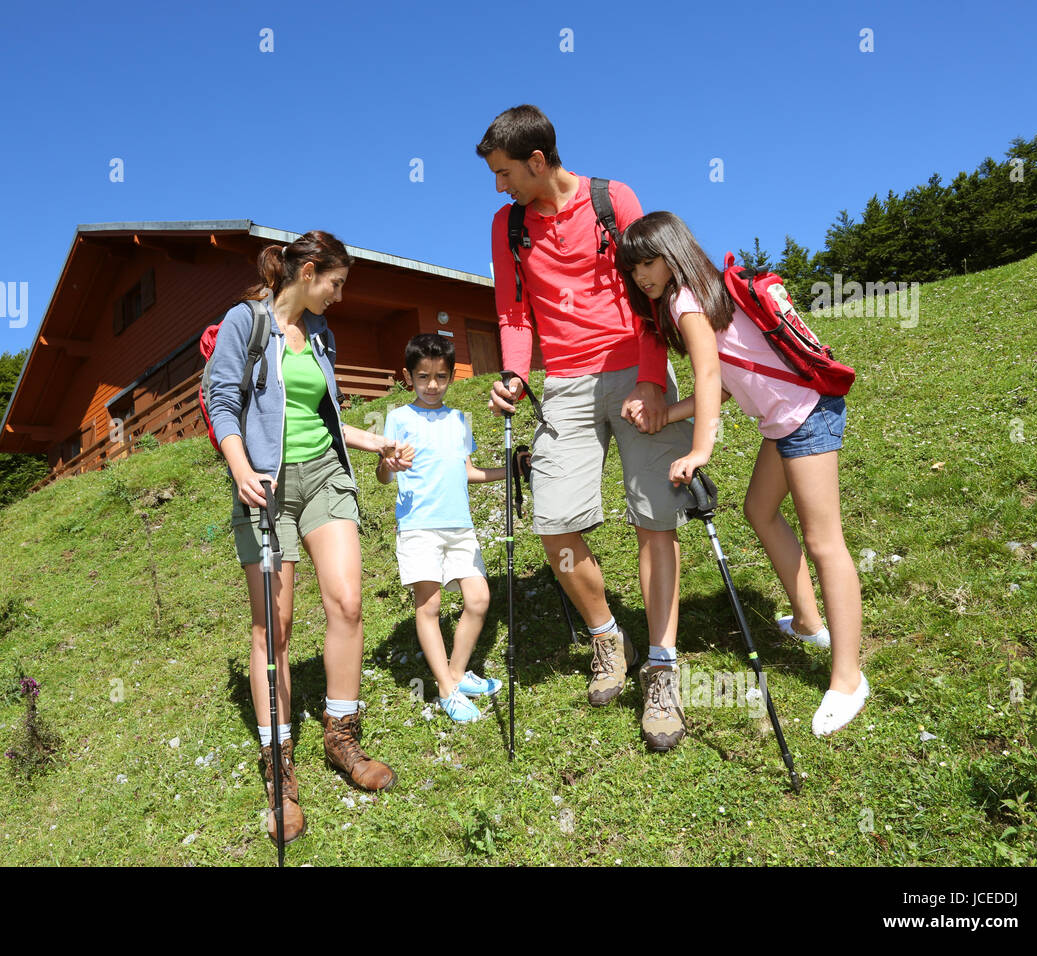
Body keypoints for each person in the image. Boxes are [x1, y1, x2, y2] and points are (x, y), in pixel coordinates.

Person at [477, 105, 696, 751]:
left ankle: (661, 665)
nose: (499, 185)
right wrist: (516, 376)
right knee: (555, 524)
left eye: (505, 172)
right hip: (564, 386)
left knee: (653, 521)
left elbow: (651, 292)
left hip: (636, 368)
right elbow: (513, 312)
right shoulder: (508, 224)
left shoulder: (612, 200)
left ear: (538, 161)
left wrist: (655, 380)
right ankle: (607, 636)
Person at [616, 210, 869, 736]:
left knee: (826, 543)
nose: (642, 275)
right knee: (759, 510)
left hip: (806, 415)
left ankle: (848, 679)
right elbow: (728, 382)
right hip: (787, 419)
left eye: (649, 261)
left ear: (674, 251)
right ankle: (807, 622)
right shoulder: (703, 297)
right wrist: (669, 413)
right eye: (633, 267)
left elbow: (708, 374)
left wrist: (700, 448)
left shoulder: (685, 299)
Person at [208, 230, 412, 844]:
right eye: (337, 282)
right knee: (275, 627)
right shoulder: (245, 323)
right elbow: (221, 403)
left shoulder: (320, 333)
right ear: (310, 271)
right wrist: (242, 469)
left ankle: (341, 737)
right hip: (265, 484)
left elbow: (319, 414)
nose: (341, 296)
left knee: (347, 602)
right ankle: (280, 770)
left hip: (324, 476)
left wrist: (370, 440)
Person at [376, 333, 505, 724]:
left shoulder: (459, 420)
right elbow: (383, 475)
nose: (432, 385)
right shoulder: (398, 418)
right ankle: (446, 690)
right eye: (422, 377)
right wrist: (389, 465)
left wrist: (512, 473)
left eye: (441, 377)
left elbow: (468, 472)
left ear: (452, 376)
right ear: (408, 376)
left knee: (478, 600)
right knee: (429, 606)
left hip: (459, 525)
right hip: (418, 526)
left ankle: (457, 674)